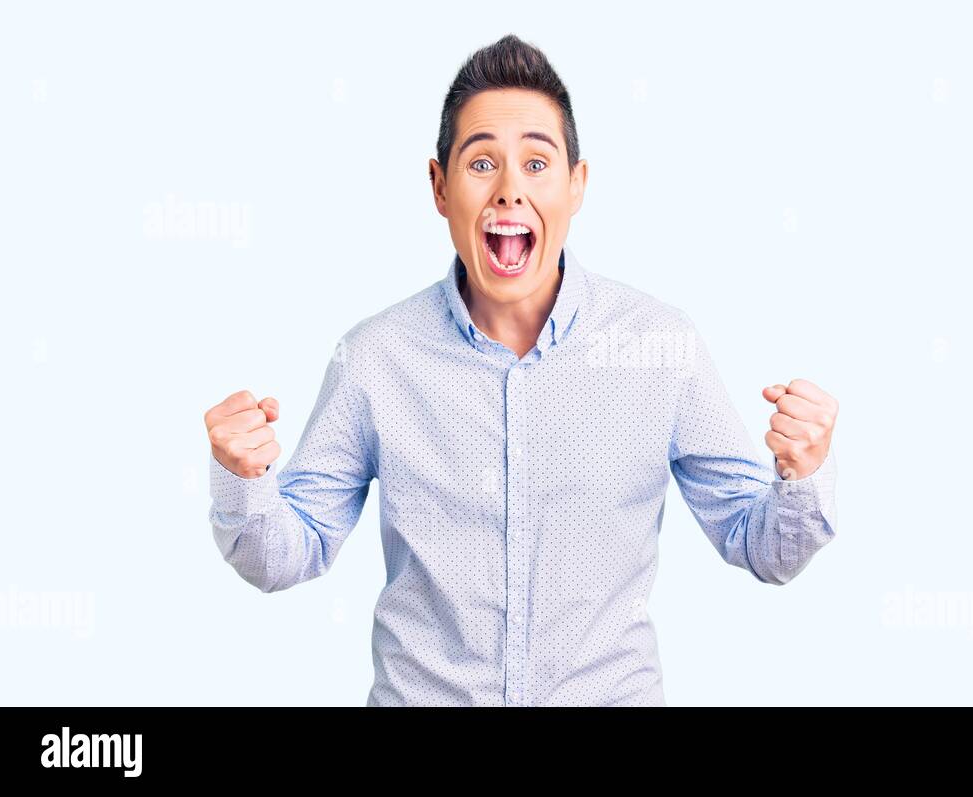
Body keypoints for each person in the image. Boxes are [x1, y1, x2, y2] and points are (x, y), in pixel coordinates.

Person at [203, 34, 839, 707]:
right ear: (440, 187)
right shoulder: (374, 358)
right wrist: (246, 479)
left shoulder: (661, 347)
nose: (509, 190)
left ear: (577, 185)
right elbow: (286, 552)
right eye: (482, 163)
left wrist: (803, 474)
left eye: (537, 162)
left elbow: (762, 545)